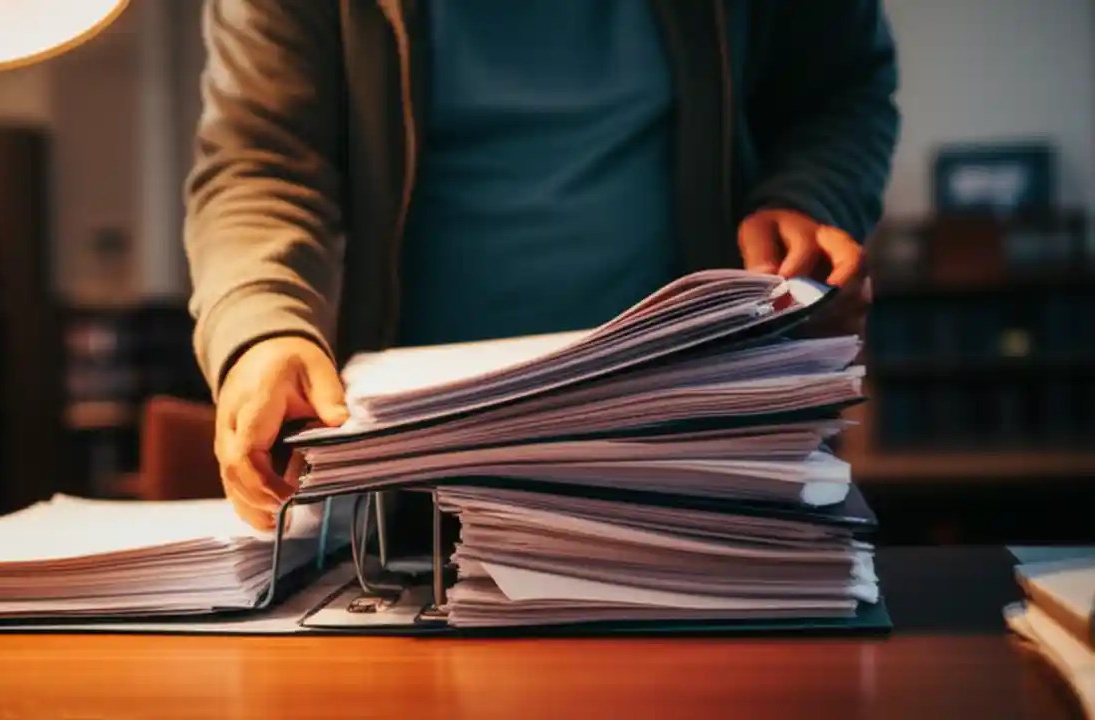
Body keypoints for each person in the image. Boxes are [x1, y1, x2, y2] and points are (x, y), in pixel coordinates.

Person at [185, 0, 900, 529]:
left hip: (700, 452)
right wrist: (263, 322)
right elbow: (260, 162)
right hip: (415, 472)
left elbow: (842, 93)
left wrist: (807, 198)